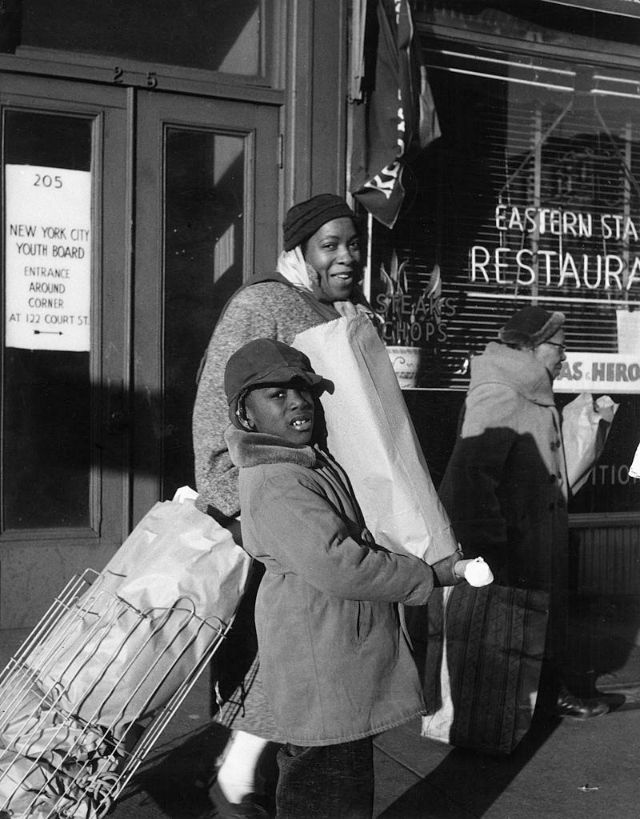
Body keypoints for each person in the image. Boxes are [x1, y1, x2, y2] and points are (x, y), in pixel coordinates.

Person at [222, 337, 477, 819]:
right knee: (329, 785)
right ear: (246, 416)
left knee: (333, 777)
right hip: (323, 655)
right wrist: (427, 575)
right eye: (276, 395)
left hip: (334, 650)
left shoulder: (303, 462)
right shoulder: (278, 481)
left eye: (303, 390)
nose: (298, 402)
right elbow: (342, 565)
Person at [192, 194, 377, 816]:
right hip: (281, 516)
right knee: (292, 661)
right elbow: (215, 413)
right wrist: (241, 506)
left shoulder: (346, 313)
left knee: (311, 668)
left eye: (353, 243)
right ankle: (240, 777)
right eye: (330, 245)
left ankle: (243, 775)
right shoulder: (263, 304)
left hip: (331, 513)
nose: (347, 256)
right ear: (299, 251)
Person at [438, 305, 609, 720]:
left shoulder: (529, 390)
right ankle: (524, 705)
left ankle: (546, 694)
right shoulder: (500, 391)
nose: (564, 356)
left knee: (535, 620)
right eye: (559, 347)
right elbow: (470, 476)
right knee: (508, 627)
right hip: (513, 541)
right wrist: (489, 544)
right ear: (532, 347)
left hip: (534, 534)